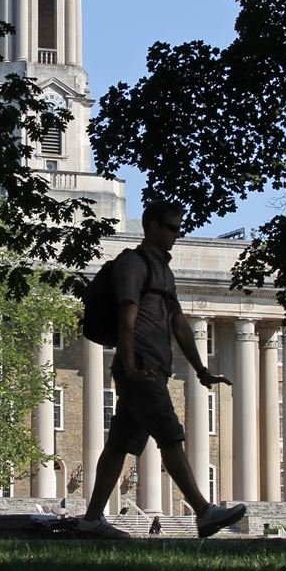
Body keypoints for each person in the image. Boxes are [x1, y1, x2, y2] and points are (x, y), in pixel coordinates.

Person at [77, 200, 247, 539]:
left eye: (178, 229)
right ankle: (203, 511)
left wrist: (201, 369)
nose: (176, 235)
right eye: (171, 228)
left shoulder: (164, 271)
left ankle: (92, 520)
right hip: (141, 367)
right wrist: (129, 363)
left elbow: (179, 324)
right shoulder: (133, 263)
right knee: (170, 434)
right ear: (152, 226)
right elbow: (127, 312)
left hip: (152, 366)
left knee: (118, 445)